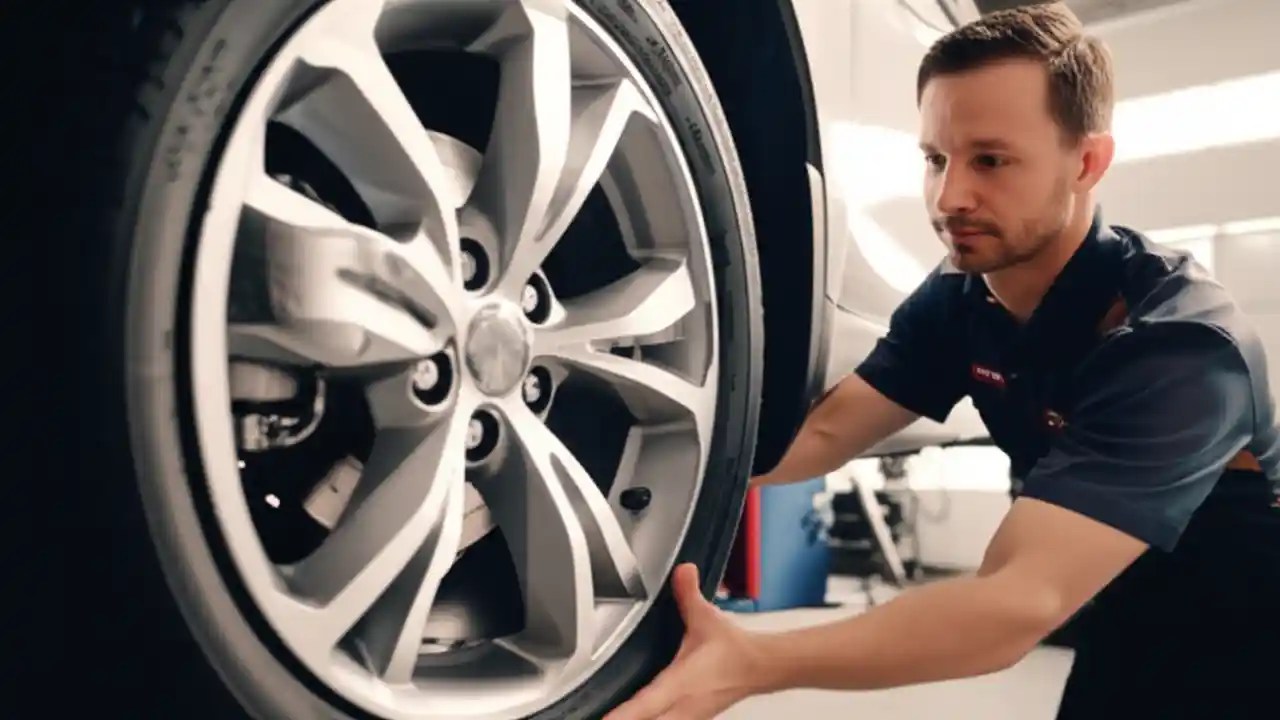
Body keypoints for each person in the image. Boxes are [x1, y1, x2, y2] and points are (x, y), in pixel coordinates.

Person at [604, 3, 1280, 719]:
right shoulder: (961, 297)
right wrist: (646, 459)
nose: (949, 197)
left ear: (1086, 162)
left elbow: (1015, 603)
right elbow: (830, 432)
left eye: (990, 160)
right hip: (1123, 608)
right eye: (935, 159)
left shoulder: (1180, 347)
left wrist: (756, 662)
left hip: (1253, 630)